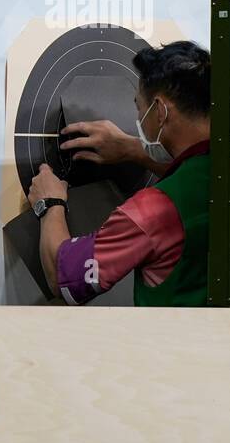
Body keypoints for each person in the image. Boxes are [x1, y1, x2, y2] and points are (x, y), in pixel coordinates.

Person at [25, 41, 212, 306]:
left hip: (166, 345)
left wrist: (50, 203)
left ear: (159, 111)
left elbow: (64, 277)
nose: (138, 117)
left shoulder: (153, 210)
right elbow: (193, 173)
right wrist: (134, 150)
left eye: (139, 107)